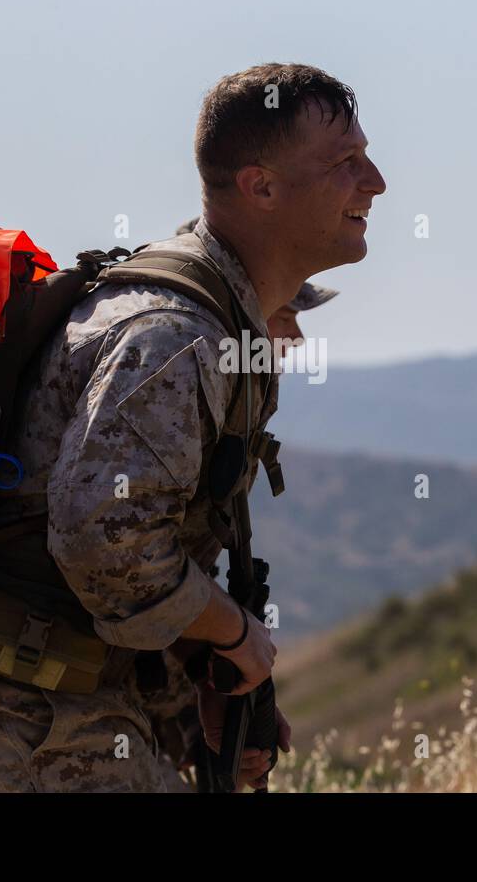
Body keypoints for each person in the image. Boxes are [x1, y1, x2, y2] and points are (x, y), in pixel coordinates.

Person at [0, 62, 385, 792]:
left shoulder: (213, 316)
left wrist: (195, 690)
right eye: (346, 163)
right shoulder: (174, 336)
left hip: (34, 703)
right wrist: (236, 636)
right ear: (262, 187)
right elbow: (103, 544)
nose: (374, 181)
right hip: (25, 714)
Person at [133, 268, 340, 791]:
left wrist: (213, 678)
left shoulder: (219, 399)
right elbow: (113, 554)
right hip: (34, 696)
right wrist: (233, 636)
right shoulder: (172, 373)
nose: (296, 339)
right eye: (287, 316)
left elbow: (161, 575)